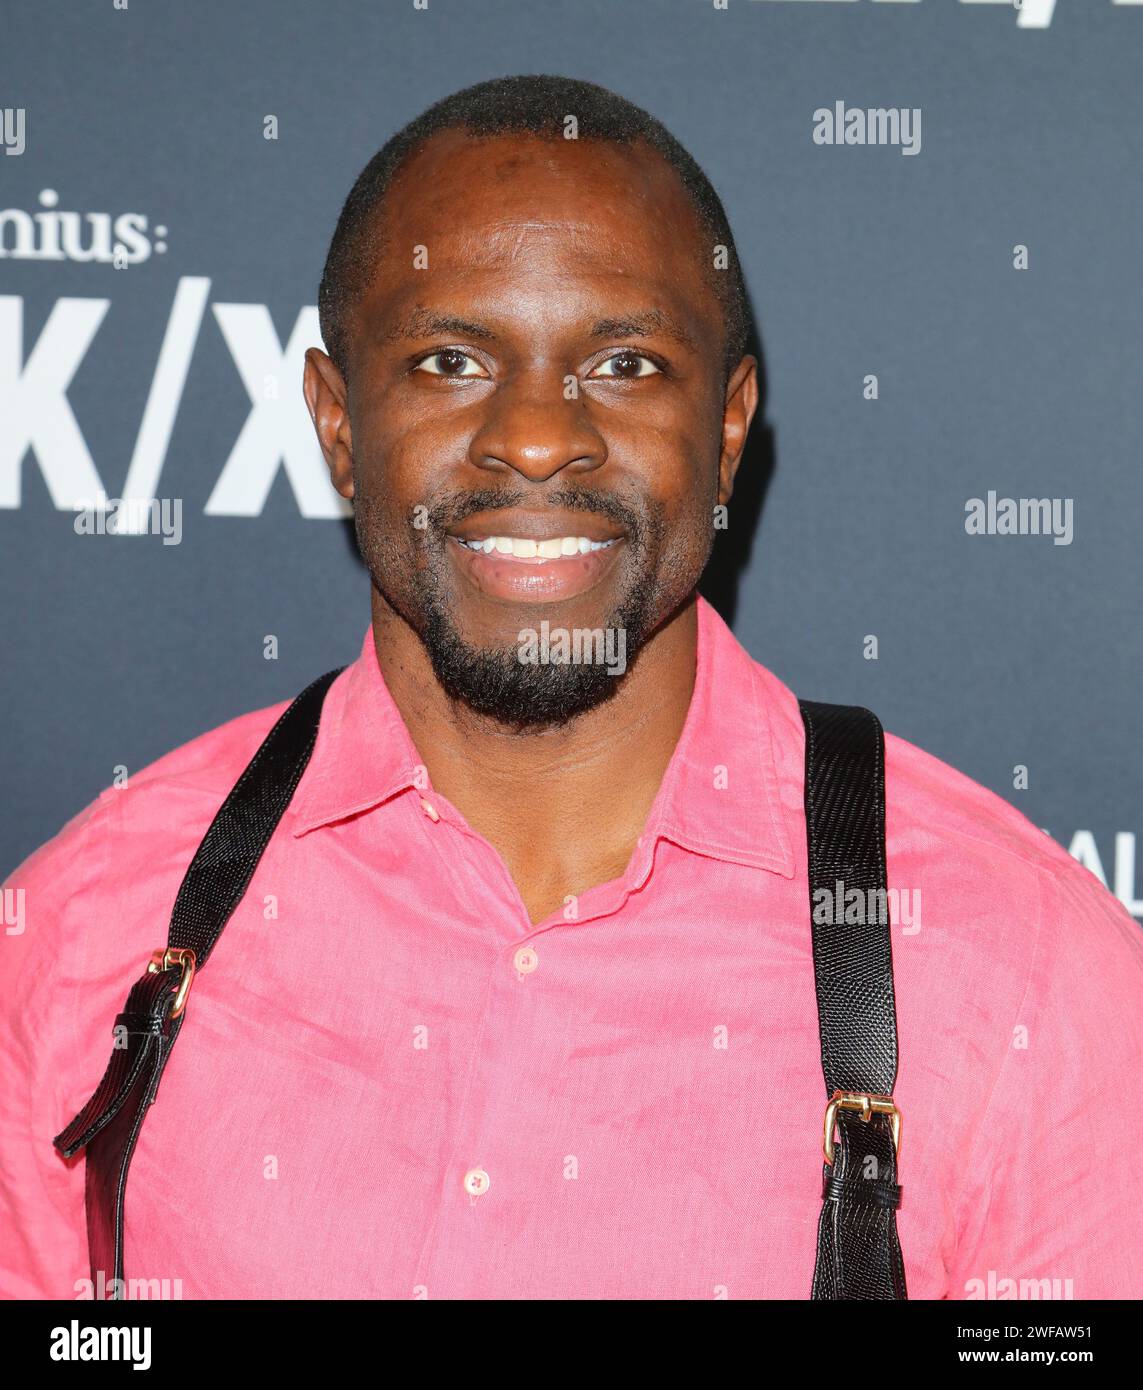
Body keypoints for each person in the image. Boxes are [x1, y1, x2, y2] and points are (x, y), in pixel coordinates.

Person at [3, 74, 1141, 1301]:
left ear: (728, 428)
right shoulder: (80, 930)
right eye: (449, 359)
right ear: (338, 426)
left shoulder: (1031, 974)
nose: (539, 437)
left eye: (625, 361)